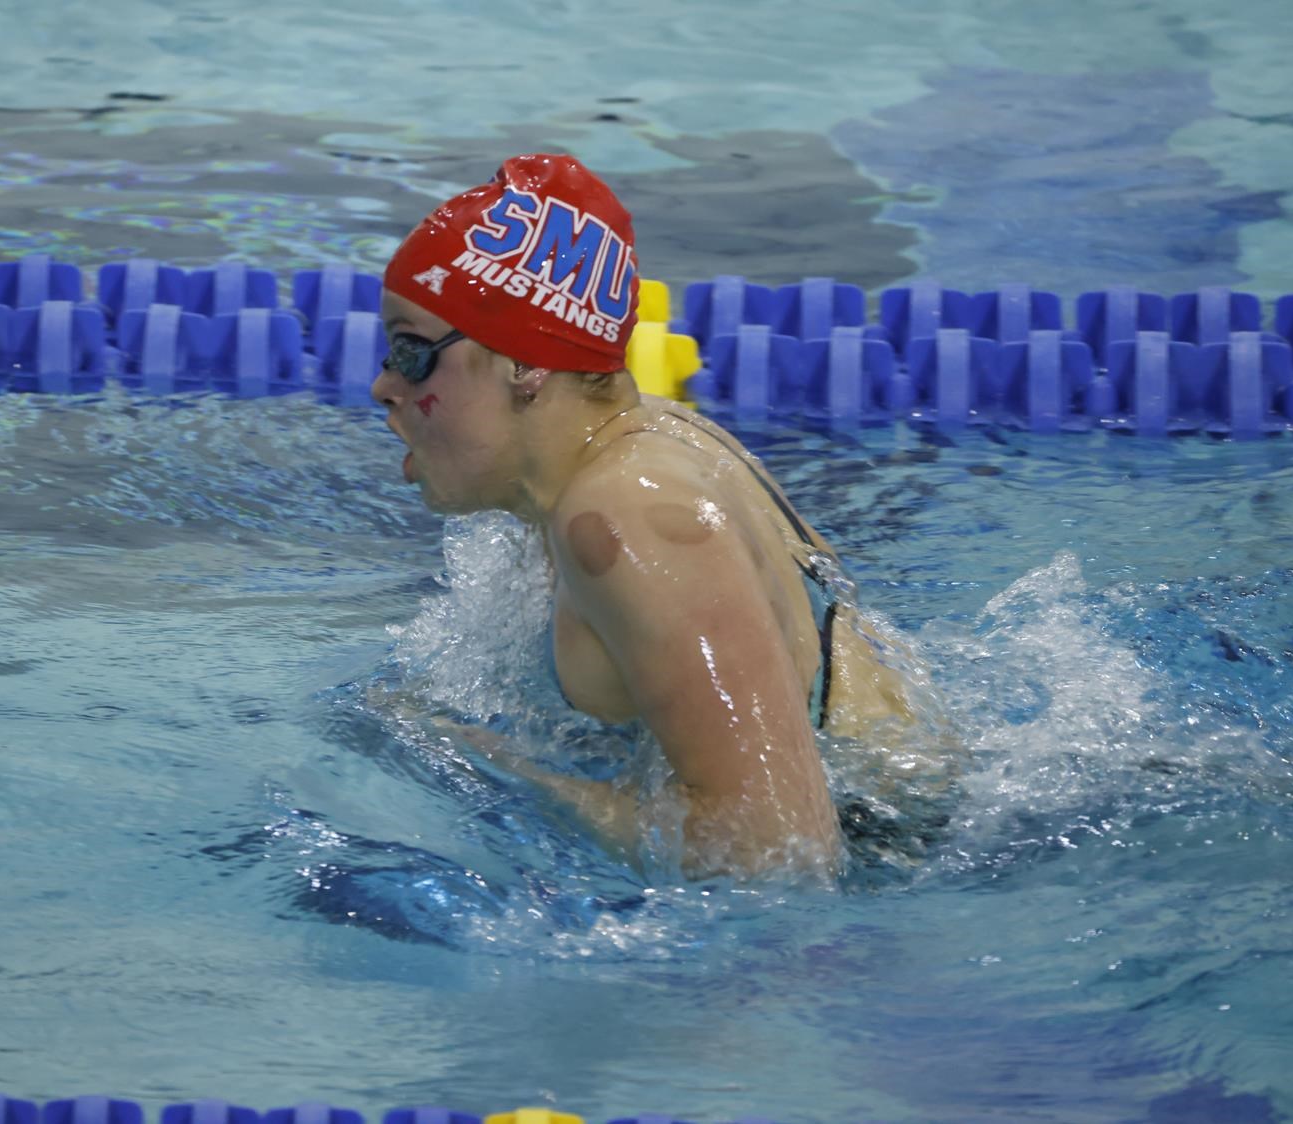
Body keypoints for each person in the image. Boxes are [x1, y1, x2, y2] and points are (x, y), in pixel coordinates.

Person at [373, 153, 926, 880]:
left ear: (527, 363)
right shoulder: (639, 443)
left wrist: (484, 766)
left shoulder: (628, 514)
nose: (385, 387)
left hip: (894, 866)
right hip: (908, 823)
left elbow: (775, 855)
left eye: (412, 353)